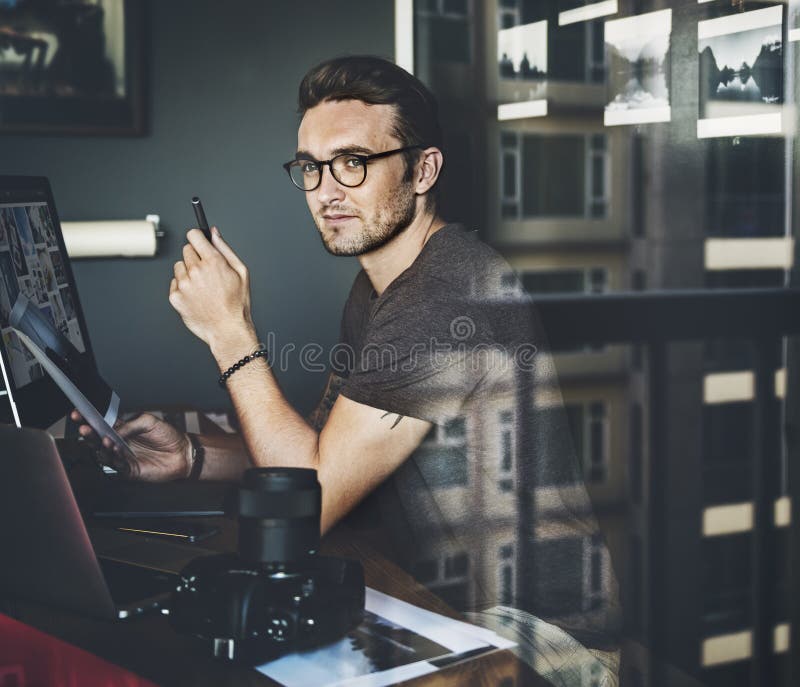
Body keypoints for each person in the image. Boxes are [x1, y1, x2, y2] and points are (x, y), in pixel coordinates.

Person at [76, 55, 621, 682]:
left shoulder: (444, 295)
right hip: (447, 608)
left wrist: (230, 335)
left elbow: (311, 501)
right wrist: (191, 456)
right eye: (311, 167)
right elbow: (315, 451)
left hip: (542, 638)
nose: (327, 190)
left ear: (424, 170)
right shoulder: (381, 288)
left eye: (354, 163)